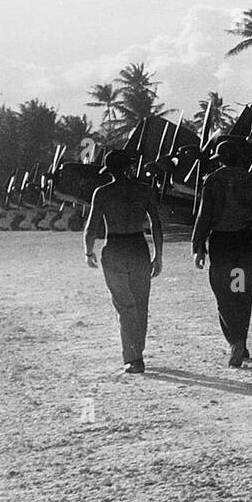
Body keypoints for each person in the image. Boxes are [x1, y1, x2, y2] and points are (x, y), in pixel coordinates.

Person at [83, 148, 163, 375]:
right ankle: (137, 351)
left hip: (115, 247)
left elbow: (91, 226)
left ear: (109, 170)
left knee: (124, 304)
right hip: (139, 247)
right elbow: (156, 223)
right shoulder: (144, 190)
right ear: (128, 167)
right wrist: (159, 255)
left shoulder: (102, 192)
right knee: (140, 303)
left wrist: (88, 252)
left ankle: (133, 357)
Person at [192, 138, 252, 367]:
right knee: (242, 291)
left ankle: (235, 340)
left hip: (221, 243)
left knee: (224, 293)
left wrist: (198, 247)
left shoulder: (212, 180)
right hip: (243, 243)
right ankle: (240, 339)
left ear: (221, 160)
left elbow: (203, 215)